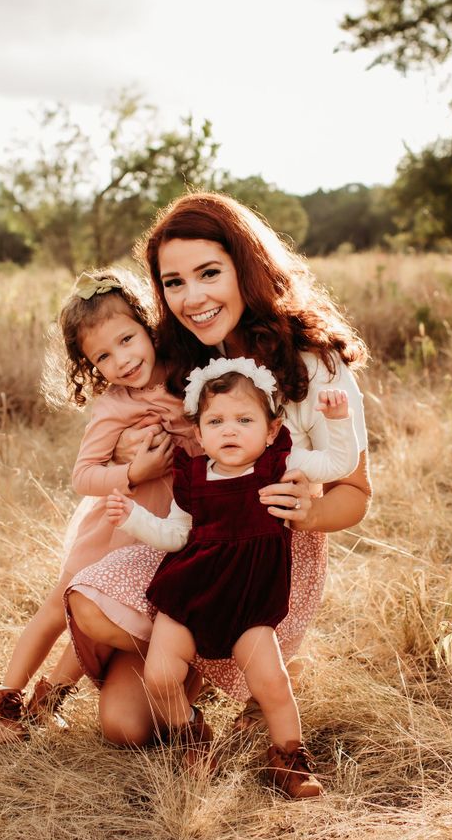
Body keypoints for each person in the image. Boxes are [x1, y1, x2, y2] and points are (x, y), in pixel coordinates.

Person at [66, 192, 370, 752]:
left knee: (129, 719)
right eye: (174, 282)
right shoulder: (178, 359)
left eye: (209, 272)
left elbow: (354, 492)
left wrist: (310, 511)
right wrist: (131, 458)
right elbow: (118, 436)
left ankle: (254, 669)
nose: (192, 297)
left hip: (264, 558)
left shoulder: (310, 364)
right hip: (188, 543)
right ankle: (194, 660)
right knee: (124, 722)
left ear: (245, 267)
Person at [107, 358, 359, 798]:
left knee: (273, 682)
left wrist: (339, 420)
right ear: (199, 433)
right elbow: (174, 536)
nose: (229, 430)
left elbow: (339, 463)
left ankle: (289, 758)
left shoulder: (280, 463)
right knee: (161, 675)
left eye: (244, 419)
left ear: (269, 428)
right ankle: (192, 736)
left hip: (250, 602)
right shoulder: (192, 479)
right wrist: (134, 518)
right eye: (216, 421)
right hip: (188, 596)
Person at [0, 268, 196, 740]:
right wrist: (132, 473)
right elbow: (84, 475)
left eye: (127, 340)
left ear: (148, 326)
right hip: (114, 528)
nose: (121, 360)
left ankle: (50, 698)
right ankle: (6, 700)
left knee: (114, 616)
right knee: (59, 608)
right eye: (103, 355)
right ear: (89, 365)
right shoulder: (114, 407)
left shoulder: (189, 381)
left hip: (164, 530)